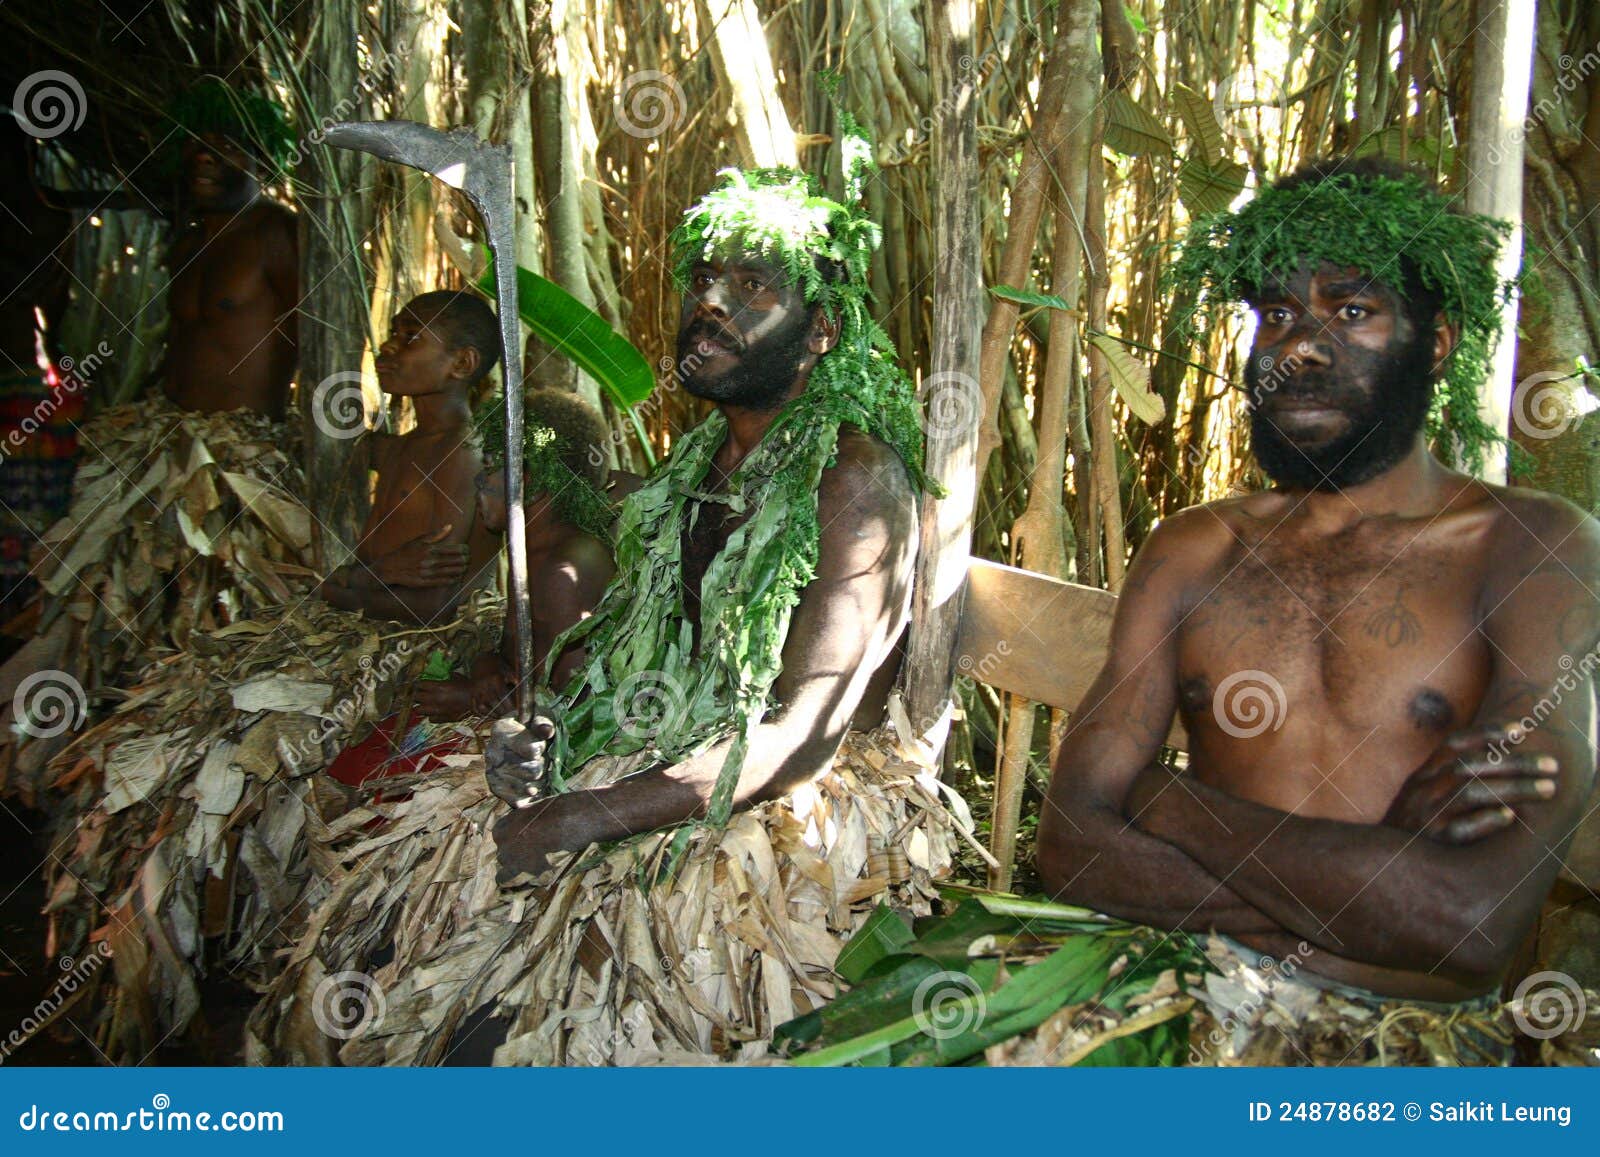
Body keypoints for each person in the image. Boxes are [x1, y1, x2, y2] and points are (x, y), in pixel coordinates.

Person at [247, 162, 962, 1067]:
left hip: (788, 801)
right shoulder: (699, 463)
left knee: (534, 995)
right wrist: (542, 719)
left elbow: (803, 735)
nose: (712, 304)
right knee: (395, 904)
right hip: (673, 740)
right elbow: (634, 651)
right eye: (704, 282)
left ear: (819, 332)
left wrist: (585, 815)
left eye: (752, 288)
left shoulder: (853, 479)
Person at [1036, 157, 1599, 1065]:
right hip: (1179, 1001)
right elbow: (1069, 846)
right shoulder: (1194, 549)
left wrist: (1170, 802)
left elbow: (1469, 920)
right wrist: (1372, 891)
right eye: (1278, 315)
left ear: (1439, 341)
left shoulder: (1534, 549)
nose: (1299, 348)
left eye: (1352, 311)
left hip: (1412, 1050)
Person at [412, 388, 618, 720]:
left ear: (531, 481)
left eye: (491, 466)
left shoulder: (563, 568)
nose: (479, 480)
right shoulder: (530, 550)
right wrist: (486, 670)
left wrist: (469, 701)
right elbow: (512, 654)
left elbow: (579, 706)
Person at [316, 290, 500, 625]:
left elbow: (434, 607)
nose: (387, 346)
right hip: (368, 633)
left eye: (411, 336)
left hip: (419, 647)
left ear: (461, 363)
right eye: (393, 333)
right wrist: (366, 578)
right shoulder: (400, 448)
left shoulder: (461, 453)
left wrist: (348, 585)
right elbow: (374, 569)